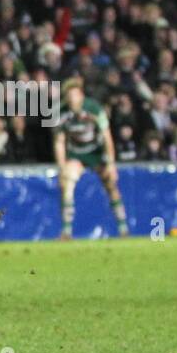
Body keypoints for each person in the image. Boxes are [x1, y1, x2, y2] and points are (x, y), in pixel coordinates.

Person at [54, 76, 129, 239]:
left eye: (75, 95)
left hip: (96, 151)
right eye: (69, 96)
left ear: (81, 95)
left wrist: (110, 164)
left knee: (111, 184)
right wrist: (61, 167)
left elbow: (107, 137)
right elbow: (59, 141)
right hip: (76, 153)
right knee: (67, 183)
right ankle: (66, 231)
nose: (72, 100)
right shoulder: (60, 112)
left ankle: (123, 227)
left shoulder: (94, 109)